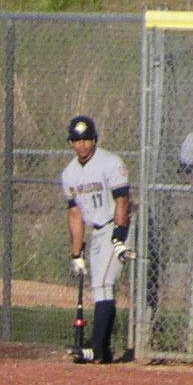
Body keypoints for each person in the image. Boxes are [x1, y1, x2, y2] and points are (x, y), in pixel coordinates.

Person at [61, 114, 132, 364]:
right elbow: (75, 215)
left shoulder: (110, 162)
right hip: (97, 232)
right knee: (99, 289)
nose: (81, 145)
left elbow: (122, 201)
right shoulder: (69, 173)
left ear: (94, 140)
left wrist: (119, 237)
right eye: (76, 141)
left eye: (86, 140)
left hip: (118, 226)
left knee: (103, 284)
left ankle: (95, 347)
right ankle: (103, 350)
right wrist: (76, 253)